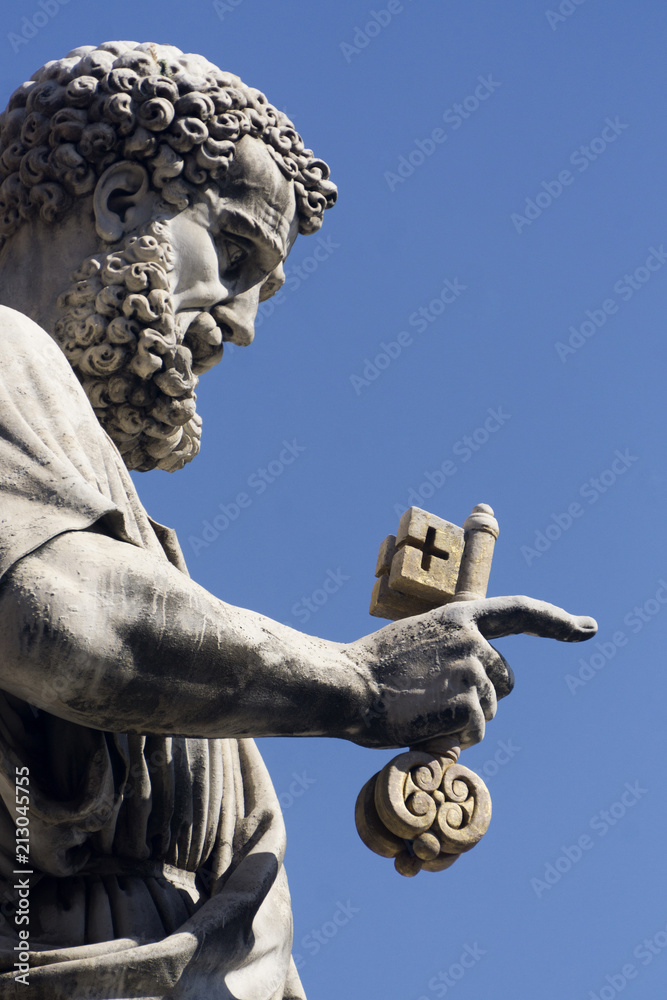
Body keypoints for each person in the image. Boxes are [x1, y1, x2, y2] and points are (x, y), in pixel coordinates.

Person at [0, 42, 597, 999]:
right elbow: (57, 622)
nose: (240, 324)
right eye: (233, 257)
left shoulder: (139, 540)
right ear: (118, 202)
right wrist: (358, 685)